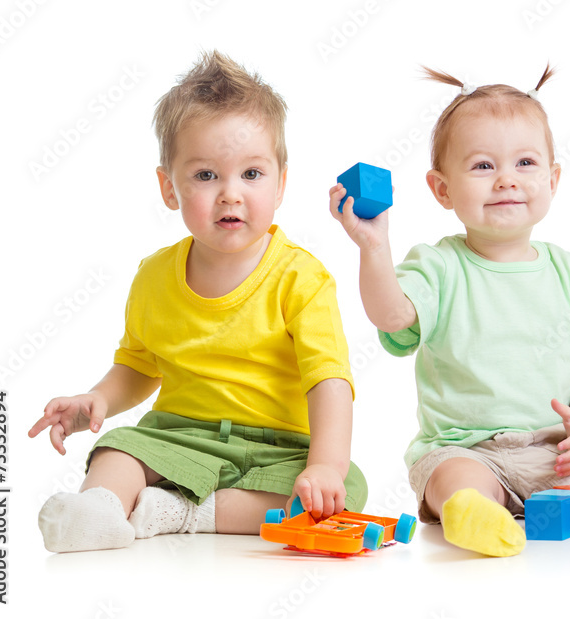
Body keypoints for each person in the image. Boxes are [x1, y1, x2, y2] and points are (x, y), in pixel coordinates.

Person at [28, 50, 366, 552]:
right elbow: (140, 363)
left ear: (281, 183)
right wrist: (98, 399)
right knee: (118, 450)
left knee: (346, 489)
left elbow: (328, 380)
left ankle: (179, 511)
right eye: (206, 175)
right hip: (178, 438)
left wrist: (323, 465)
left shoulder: (302, 277)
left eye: (252, 174)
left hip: (278, 449)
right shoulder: (154, 275)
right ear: (170, 188)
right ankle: (96, 510)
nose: (230, 194)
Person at [329, 65, 570, 557]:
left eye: (525, 163)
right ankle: (476, 514)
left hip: (561, 450)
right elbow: (392, 316)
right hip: (467, 449)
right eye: (483, 166)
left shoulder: (569, 271)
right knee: (455, 482)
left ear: (552, 179)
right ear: (442, 189)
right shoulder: (438, 265)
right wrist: (374, 248)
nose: (506, 179)